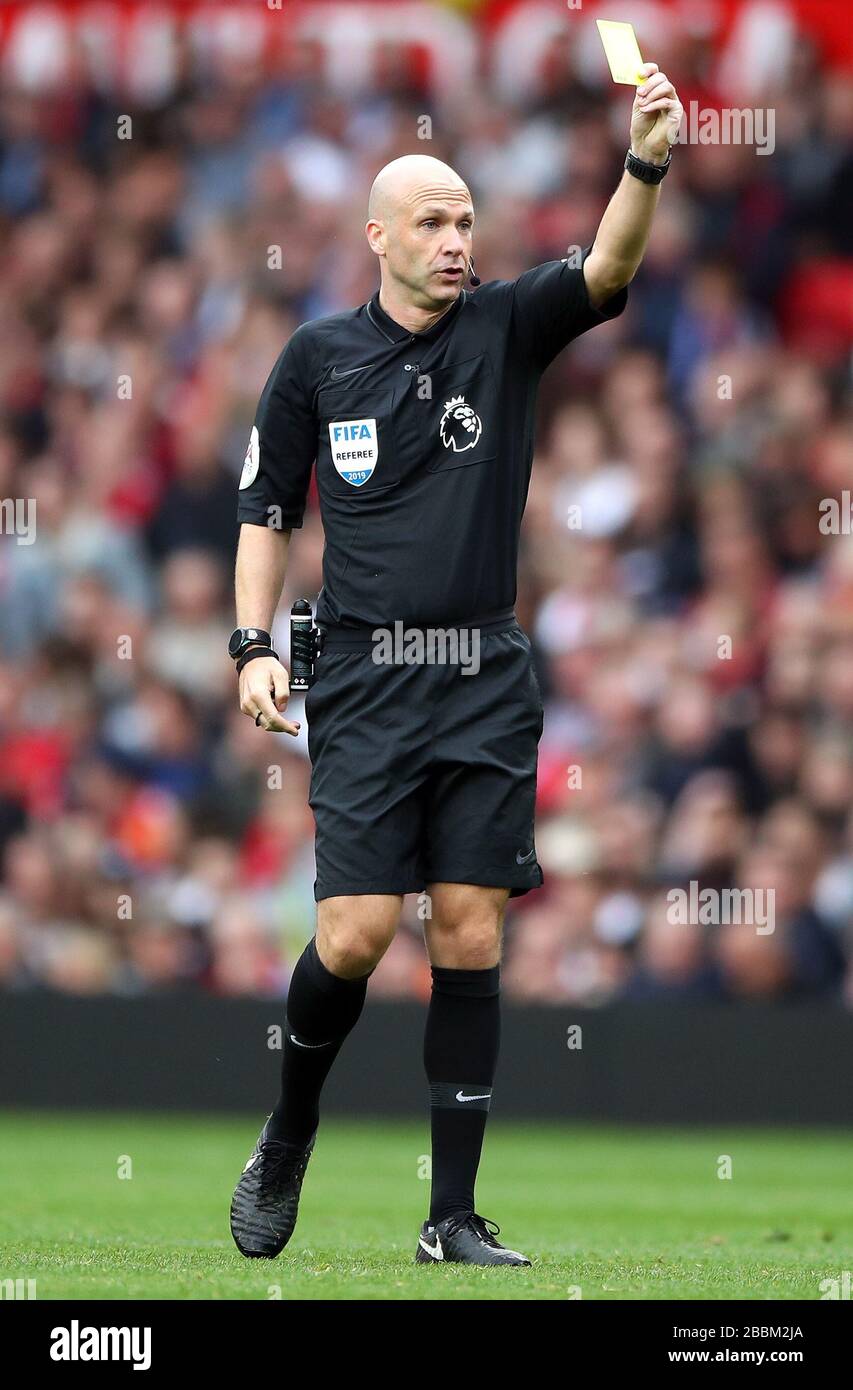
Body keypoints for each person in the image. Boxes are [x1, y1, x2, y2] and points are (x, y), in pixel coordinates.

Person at [228, 64, 683, 1266]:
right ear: (375, 234)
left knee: (472, 930)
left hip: (483, 670)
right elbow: (267, 511)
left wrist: (644, 161)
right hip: (368, 677)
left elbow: (609, 269)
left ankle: (452, 1217)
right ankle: (287, 1132)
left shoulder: (506, 326)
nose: (454, 240)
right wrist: (250, 647)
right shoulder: (317, 359)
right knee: (358, 934)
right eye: (430, 220)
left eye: (466, 220)